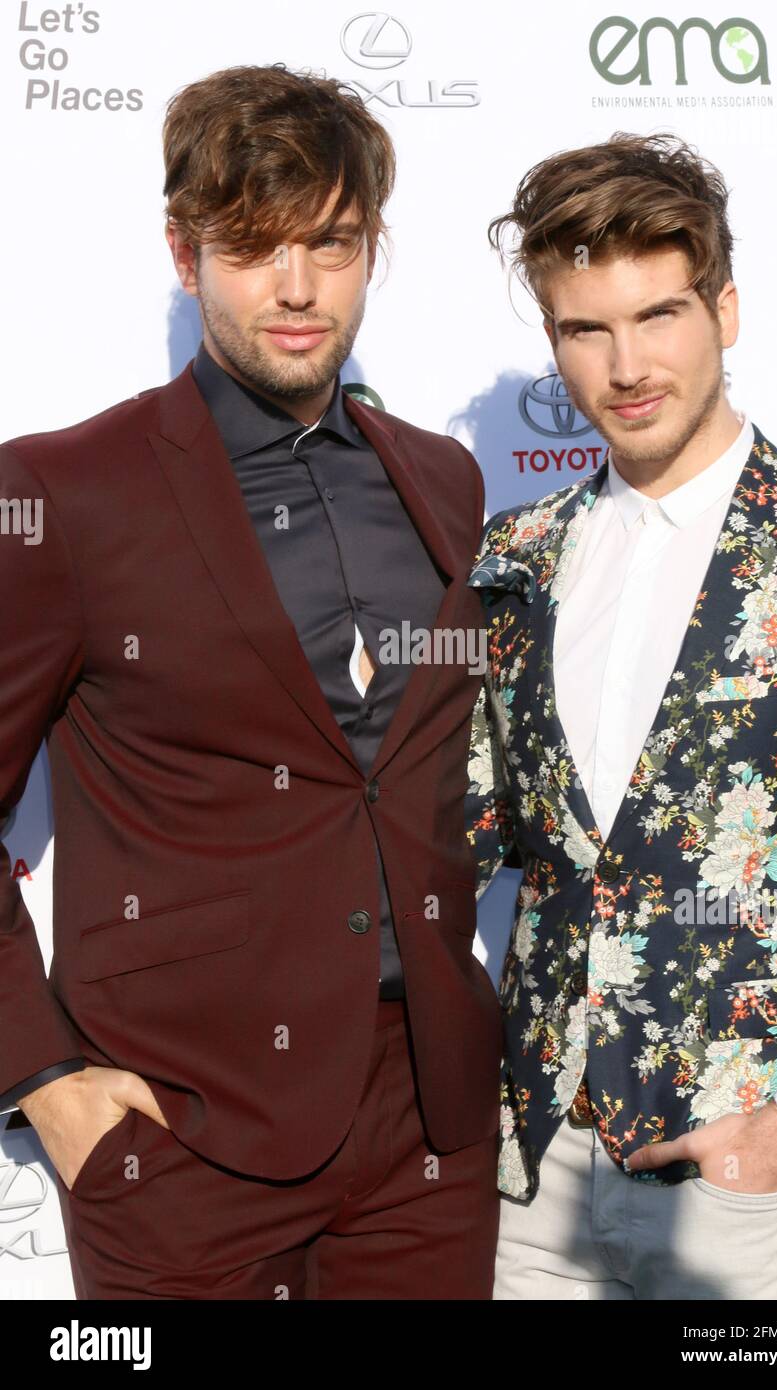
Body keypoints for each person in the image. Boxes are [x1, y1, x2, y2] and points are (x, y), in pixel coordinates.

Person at [0, 63, 501, 1300]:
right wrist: (42, 1081)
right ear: (185, 253)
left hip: (428, 1120)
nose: (294, 287)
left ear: (370, 250)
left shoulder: (444, 480)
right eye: (252, 246)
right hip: (182, 1132)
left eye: (328, 244)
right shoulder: (66, 490)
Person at [464, 130, 777, 1299]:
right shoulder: (513, 560)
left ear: (724, 310)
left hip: (741, 1195)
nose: (625, 364)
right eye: (586, 328)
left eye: (660, 315)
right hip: (530, 1182)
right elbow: (454, 839)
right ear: (553, 342)